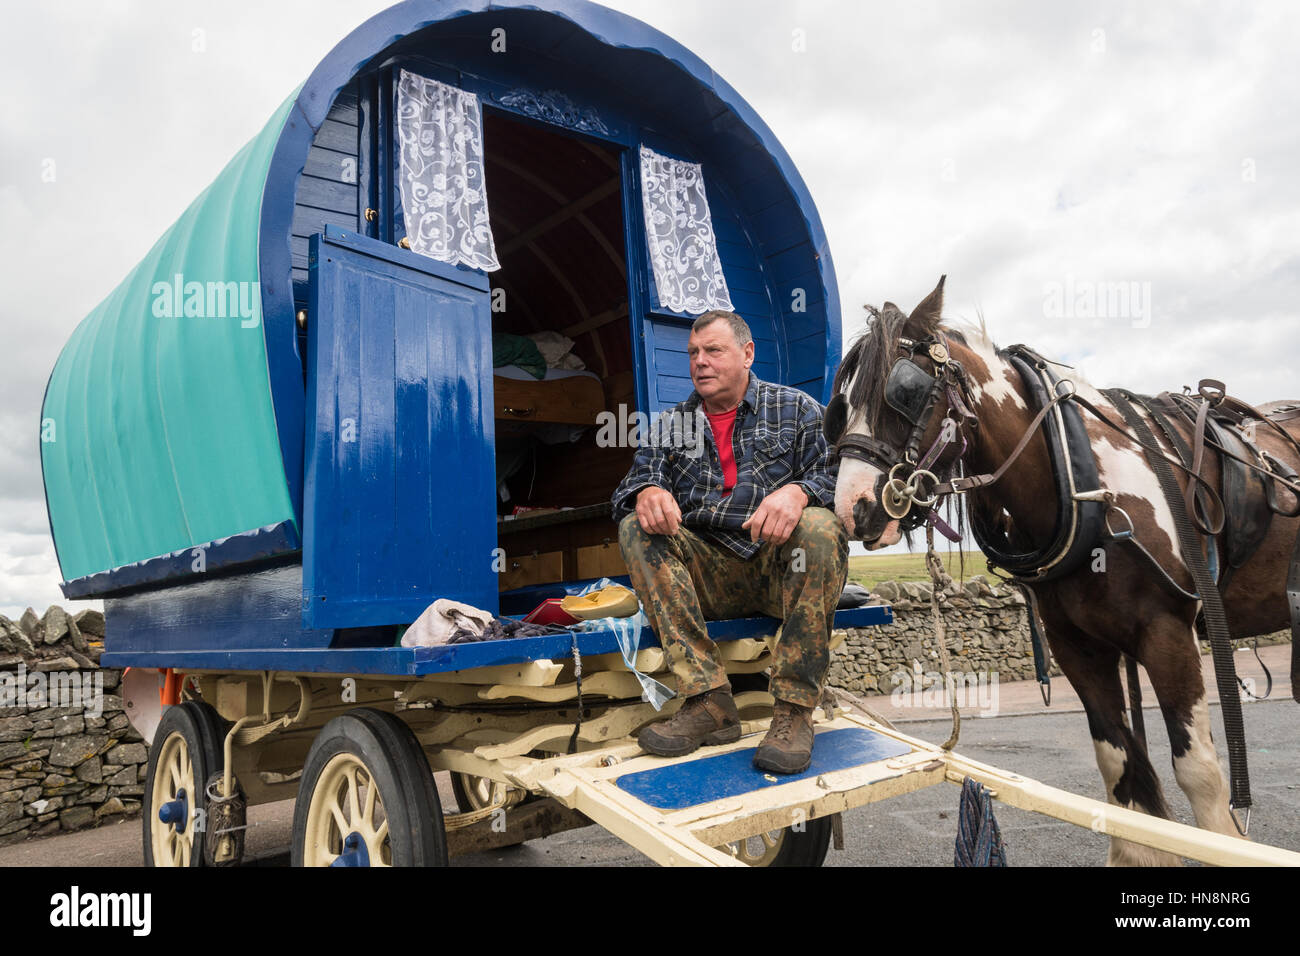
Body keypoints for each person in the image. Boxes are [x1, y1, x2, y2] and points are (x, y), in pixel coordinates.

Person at [610, 310, 848, 774]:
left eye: (713, 351)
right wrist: (647, 492)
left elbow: (842, 474)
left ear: (747, 354)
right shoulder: (670, 427)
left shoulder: (797, 410)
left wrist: (799, 493)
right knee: (635, 526)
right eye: (693, 353)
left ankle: (795, 711)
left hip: (779, 572)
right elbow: (624, 492)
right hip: (706, 580)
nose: (700, 362)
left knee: (819, 526)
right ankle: (707, 699)